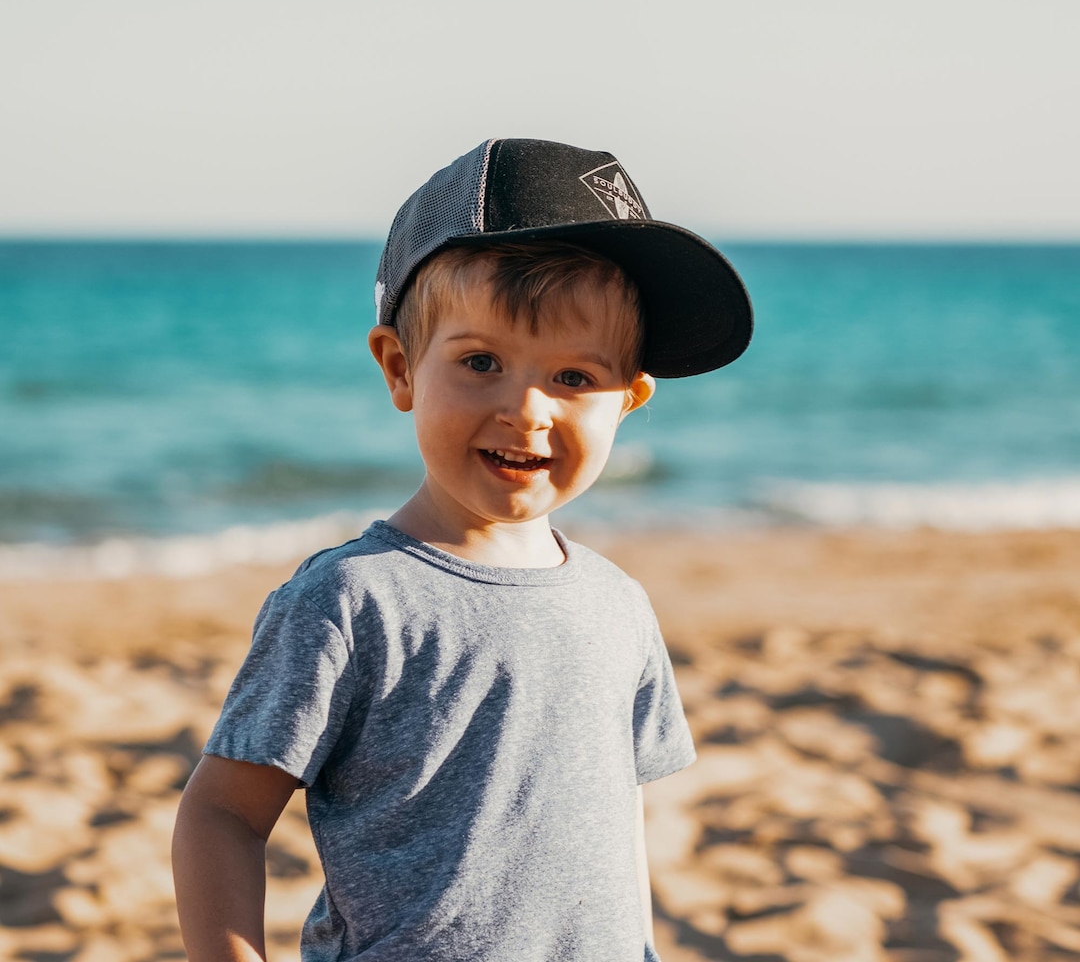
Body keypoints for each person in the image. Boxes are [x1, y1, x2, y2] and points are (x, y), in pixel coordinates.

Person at [172, 138, 753, 962]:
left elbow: (617, 822)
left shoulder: (619, 604)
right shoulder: (349, 601)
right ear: (400, 367)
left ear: (631, 400)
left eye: (576, 378)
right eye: (481, 361)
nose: (527, 409)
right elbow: (223, 813)